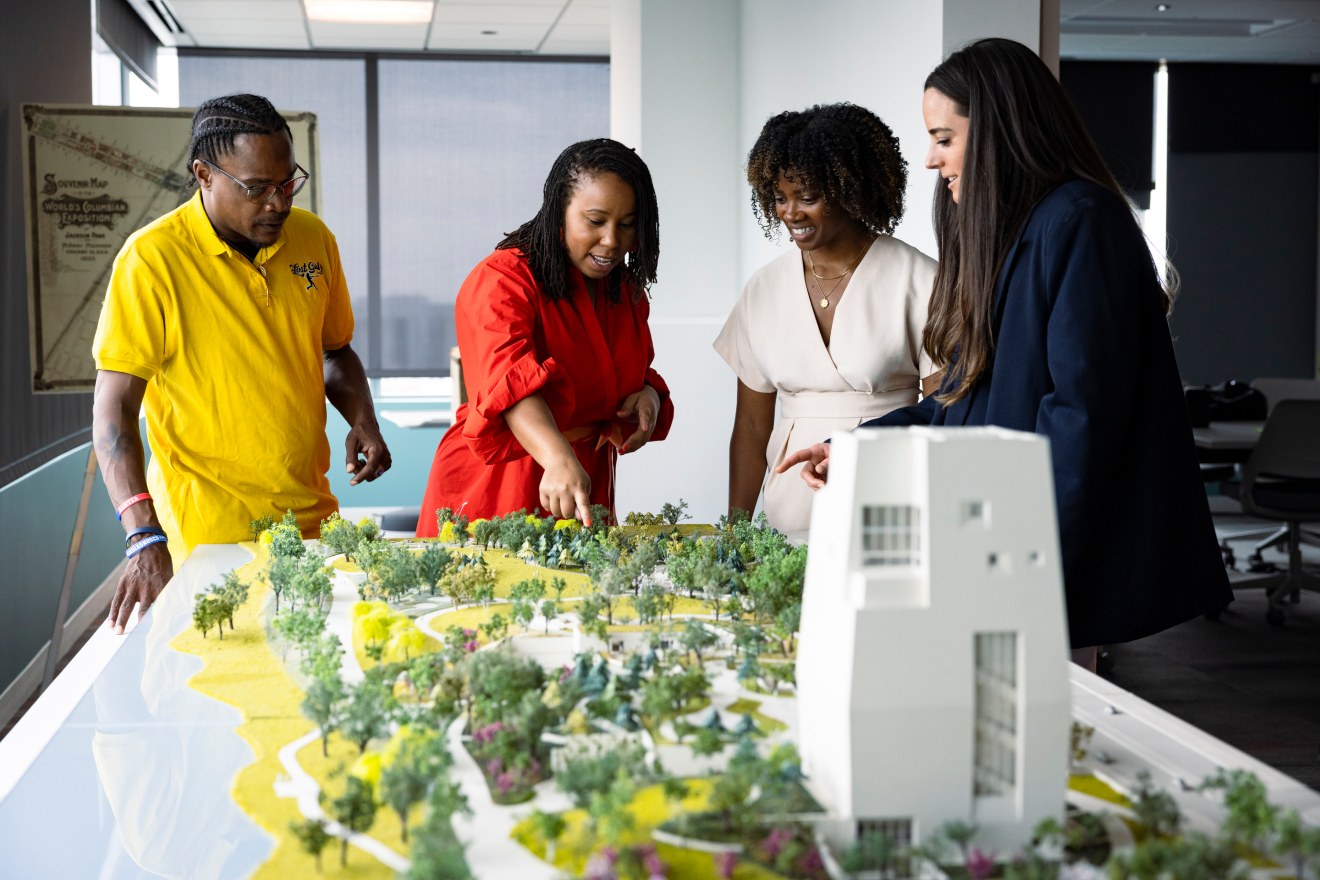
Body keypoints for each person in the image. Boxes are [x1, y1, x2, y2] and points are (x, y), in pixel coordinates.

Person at [778, 40, 1232, 660]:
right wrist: (851, 447)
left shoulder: (1080, 221)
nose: (932, 159)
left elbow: (1081, 421)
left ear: (996, 130)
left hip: (1049, 561)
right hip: (1003, 548)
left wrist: (1026, 571)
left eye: (943, 138)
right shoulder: (1015, 235)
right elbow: (958, 405)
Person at [92, 94, 390, 634]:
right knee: (210, 697)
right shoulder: (150, 261)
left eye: (287, 182)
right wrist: (142, 534)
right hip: (207, 535)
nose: (277, 202)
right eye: (257, 187)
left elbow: (334, 349)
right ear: (203, 174)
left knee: (312, 685)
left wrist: (363, 420)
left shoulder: (313, 239)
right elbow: (113, 413)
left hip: (310, 523)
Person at [416, 139, 673, 532]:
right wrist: (555, 456)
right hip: (501, 479)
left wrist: (647, 396)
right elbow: (509, 384)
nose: (612, 241)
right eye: (595, 220)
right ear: (560, 211)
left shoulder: (625, 290)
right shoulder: (502, 280)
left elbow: (632, 370)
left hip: (583, 480)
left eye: (627, 224)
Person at [715, 104, 940, 534]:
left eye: (808, 197)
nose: (790, 213)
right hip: (788, 515)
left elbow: (944, 413)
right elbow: (750, 425)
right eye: (780, 198)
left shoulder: (920, 279)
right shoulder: (763, 289)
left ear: (849, 189)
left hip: (890, 511)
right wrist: (735, 532)